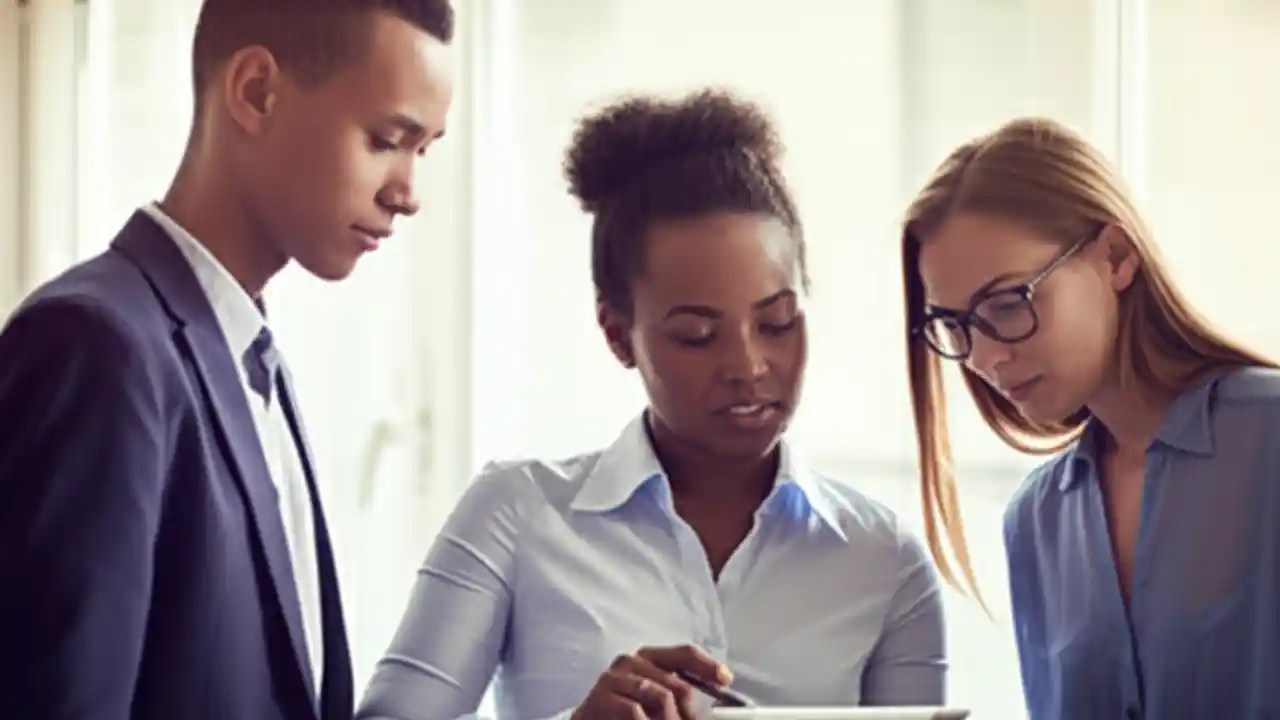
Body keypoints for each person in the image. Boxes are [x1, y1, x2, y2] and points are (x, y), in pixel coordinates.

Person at [357, 89, 946, 720]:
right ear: (618, 335)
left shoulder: (886, 562)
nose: (748, 367)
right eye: (697, 335)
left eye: (776, 323)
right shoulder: (518, 517)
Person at [0, 1, 454, 718]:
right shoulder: (96, 346)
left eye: (422, 150)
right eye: (385, 139)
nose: (408, 193)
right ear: (255, 92)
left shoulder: (252, 359)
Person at [902, 117, 1280, 719]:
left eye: (1007, 304)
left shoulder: (1268, 438)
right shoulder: (1037, 520)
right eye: (955, 325)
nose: (985, 357)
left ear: (1117, 257)